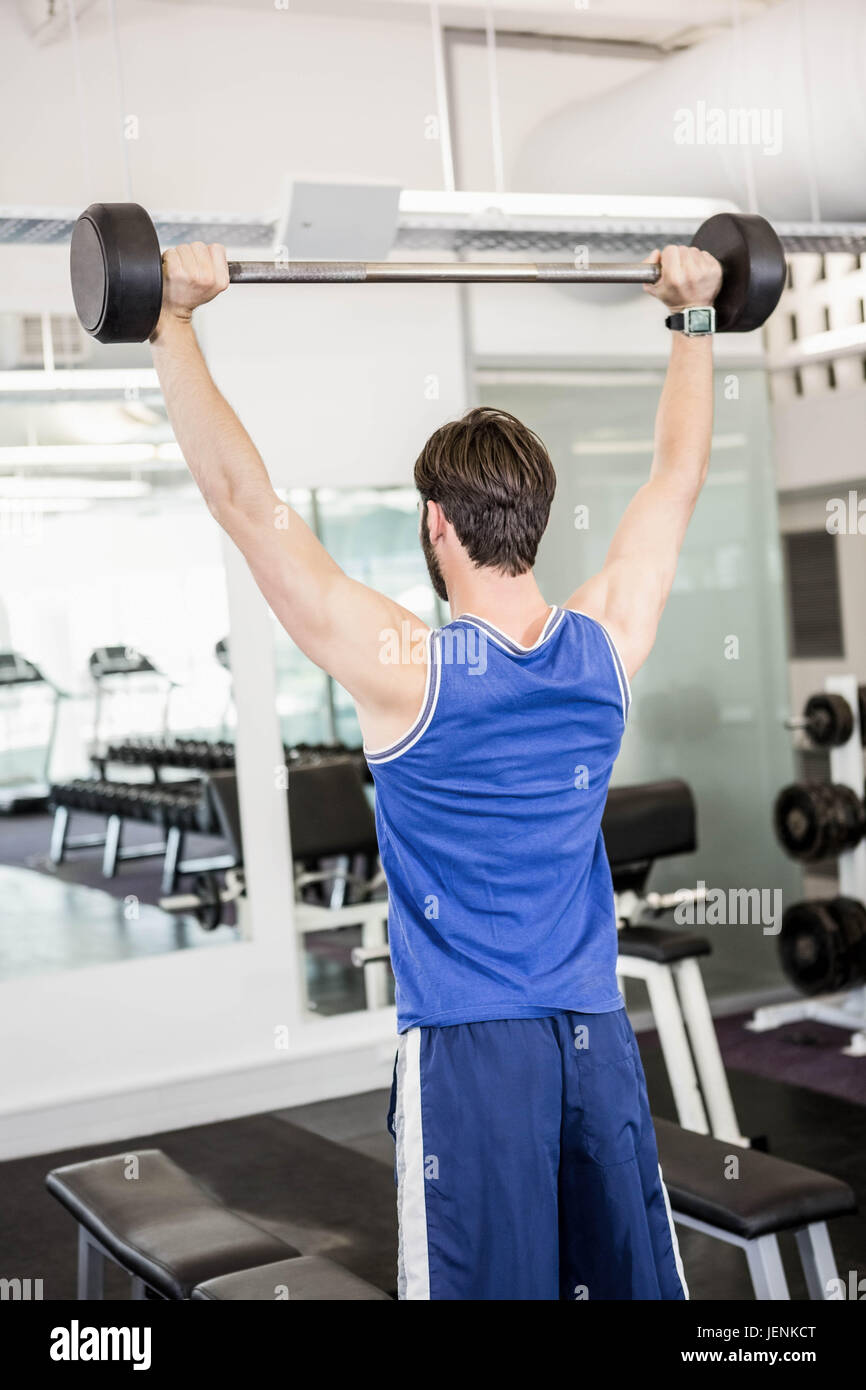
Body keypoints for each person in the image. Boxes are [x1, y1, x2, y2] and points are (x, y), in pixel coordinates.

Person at [149, 239, 722, 1300]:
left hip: (469, 1059)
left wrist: (173, 319)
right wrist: (691, 315)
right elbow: (675, 479)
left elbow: (241, 498)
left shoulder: (405, 669)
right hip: (594, 1042)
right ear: (533, 519)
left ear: (435, 524)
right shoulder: (605, 640)